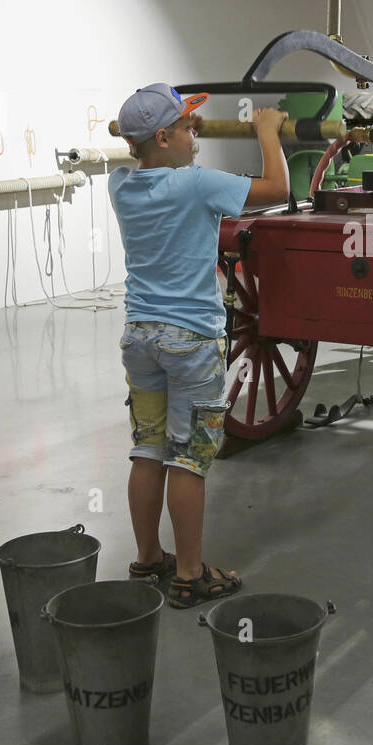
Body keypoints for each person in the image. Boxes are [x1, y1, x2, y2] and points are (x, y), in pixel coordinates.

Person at [108, 83, 288, 609]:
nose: (197, 137)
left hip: (140, 337)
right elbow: (276, 188)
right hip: (191, 340)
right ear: (161, 137)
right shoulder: (197, 186)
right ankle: (189, 574)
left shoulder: (120, 185)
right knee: (189, 459)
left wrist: (164, 137)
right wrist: (265, 130)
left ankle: (147, 558)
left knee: (147, 449)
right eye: (189, 129)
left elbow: (143, 155)